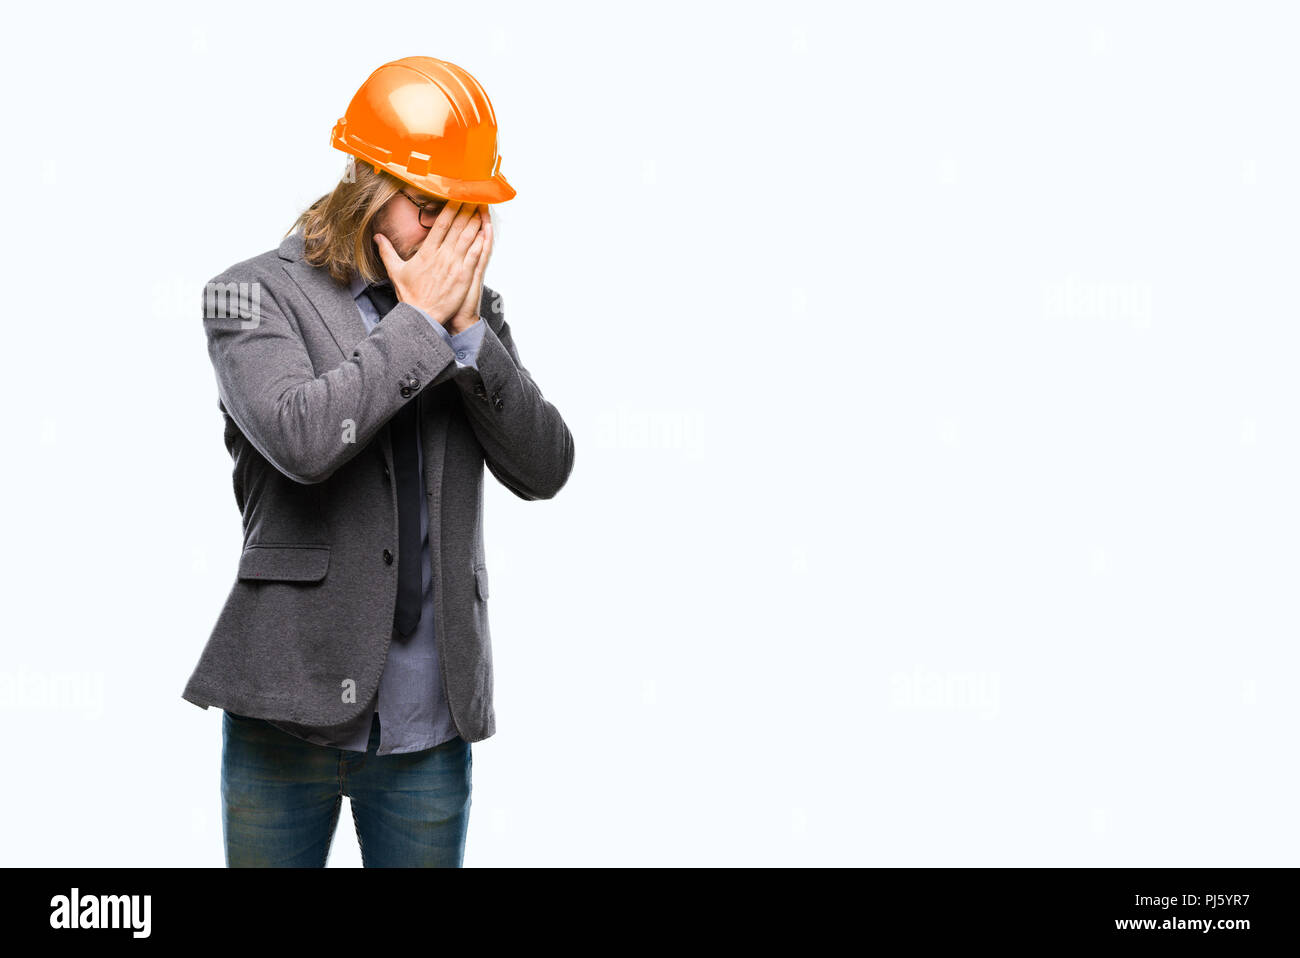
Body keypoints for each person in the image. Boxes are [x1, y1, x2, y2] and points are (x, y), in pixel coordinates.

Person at [182, 56, 575, 867]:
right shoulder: (247, 295)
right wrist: (422, 324)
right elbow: (301, 440)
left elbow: (547, 468)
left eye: (462, 213)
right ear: (365, 181)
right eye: (428, 206)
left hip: (431, 726)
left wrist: (468, 337)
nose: (444, 234)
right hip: (284, 716)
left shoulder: (474, 317)